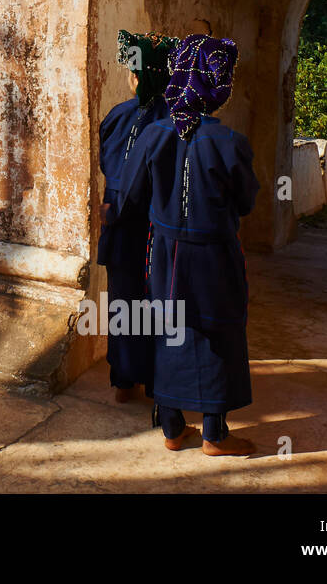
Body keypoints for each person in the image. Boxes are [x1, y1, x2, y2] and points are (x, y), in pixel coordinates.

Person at [117, 34, 259, 456]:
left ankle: (173, 429)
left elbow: (130, 197)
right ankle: (215, 434)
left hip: (165, 255)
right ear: (218, 84)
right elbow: (246, 202)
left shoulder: (154, 135)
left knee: (168, 330)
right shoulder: (229, 142)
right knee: (218, 331)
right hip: (215, 255)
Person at [97, 30, 178, 403]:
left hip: (118, 219)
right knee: (159, 299)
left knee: (123, 300)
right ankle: (156, 378)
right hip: (156, 223)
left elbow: (107, 165)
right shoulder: (175, 121)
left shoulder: (116, 116)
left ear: (138, 75)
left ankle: (123, 380)